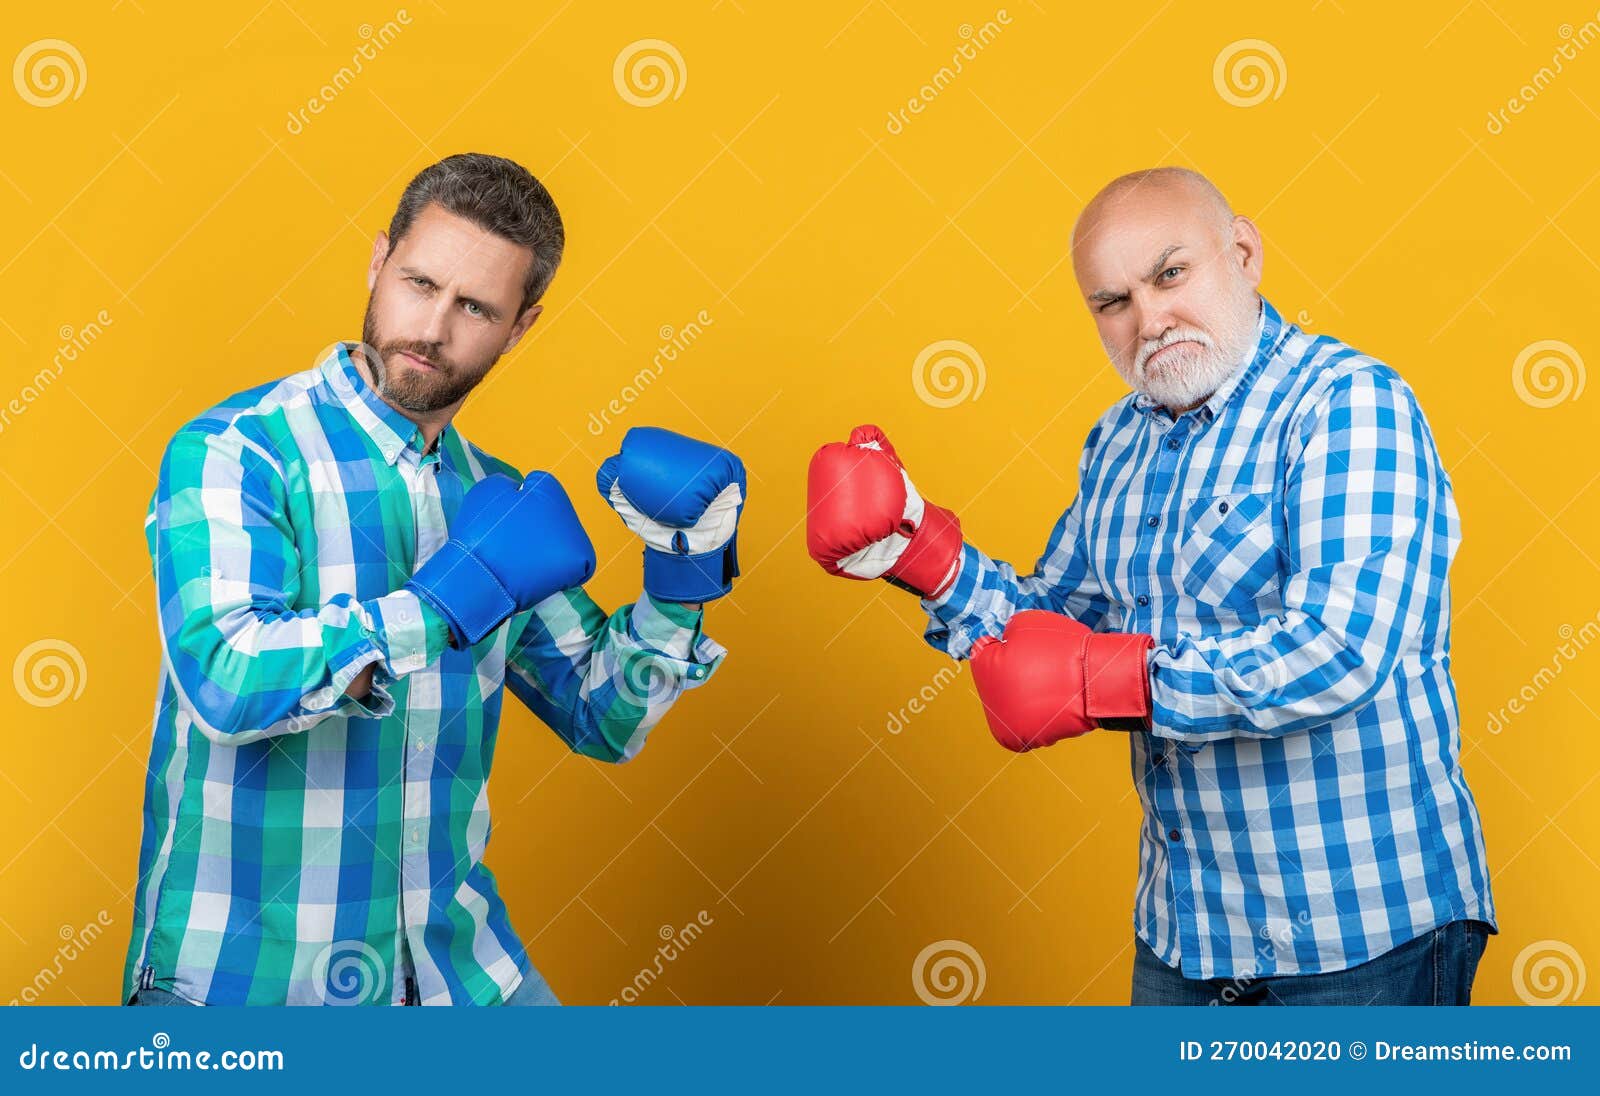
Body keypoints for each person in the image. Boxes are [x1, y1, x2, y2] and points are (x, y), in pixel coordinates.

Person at [806, 166, 1494, 1005]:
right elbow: (1052, 628)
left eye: (1170, 275)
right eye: (1113, 302)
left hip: (1358, 932)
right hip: (1187, 930)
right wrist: (920, 549)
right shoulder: (1117, 443)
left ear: (1242, 252)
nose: (1149, 319)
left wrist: (1113, 680)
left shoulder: (1347, 405)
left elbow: (1340, 651)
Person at [124, 153, 746, 1006]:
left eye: (475, 307)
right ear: (378, 262)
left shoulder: (494, 500)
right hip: (250, 981)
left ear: (519, 327)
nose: (433, 328)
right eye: (419, 283)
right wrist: (440, 606)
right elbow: (226, 680)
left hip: (452, 971)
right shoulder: (242, 449)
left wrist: (683, 575)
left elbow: (607, 716)